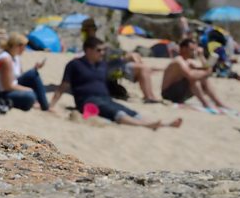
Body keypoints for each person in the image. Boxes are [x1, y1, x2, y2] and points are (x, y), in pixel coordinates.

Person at [49, 37, 182, 130]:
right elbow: (63, 87)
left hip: (106, 98)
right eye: (99, 50)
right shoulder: (74, 65)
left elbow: (119, 62)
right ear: (88, 50)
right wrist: (51, 105)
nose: (102, 53)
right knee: (117, 113)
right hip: (87, 101)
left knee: (131, 111)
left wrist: (129, 57)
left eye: (103, 50)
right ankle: (145, 126)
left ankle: (163, 124)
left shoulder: (102, 65)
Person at [82, 17, 161, 103]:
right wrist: (123, 58)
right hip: (108, 68)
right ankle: (149, 96)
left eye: (94, 28)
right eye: (91, 28)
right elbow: (101, 62)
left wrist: (125, 55)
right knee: (142, 68)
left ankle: (150, 96)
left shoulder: (96, 42)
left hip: (113, 65)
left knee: (142, 66)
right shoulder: (89, 44)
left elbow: (110, 53)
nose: (93, 30)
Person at [161, 38, 230, 111]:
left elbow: (205, 70)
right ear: (184, 49)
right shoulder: (178, 61)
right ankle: (205, 103)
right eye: (191, 50)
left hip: (179, 92)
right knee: (194, 79)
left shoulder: (188, 61)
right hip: (168, 94)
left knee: (202, 78)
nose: (193, 52)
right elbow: (190, 75)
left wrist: (201, 56)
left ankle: (218, 103)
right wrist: (206, 72)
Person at [0, 33, 50, 112]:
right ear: (17, 46)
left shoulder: (16, 57)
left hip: (12, 85)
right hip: (0, 92)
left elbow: (20, 75)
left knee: (33, 74)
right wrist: (28, 89)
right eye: (23, 46)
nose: (25, 49)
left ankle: (45, 106)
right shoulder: (6, 59)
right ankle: (42, 105)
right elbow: (7, 86)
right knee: (30, 96)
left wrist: (35, 68)